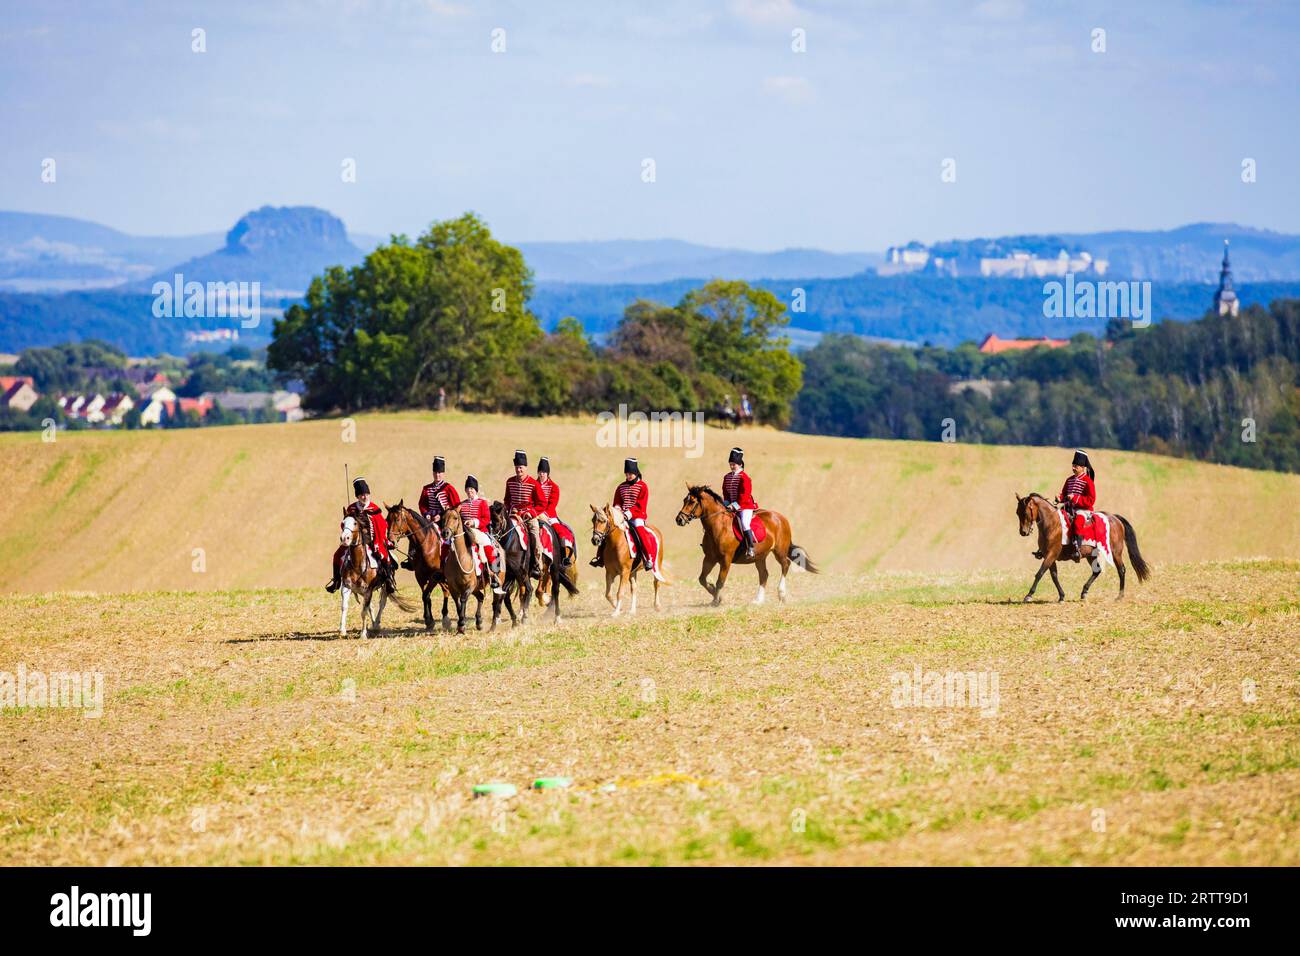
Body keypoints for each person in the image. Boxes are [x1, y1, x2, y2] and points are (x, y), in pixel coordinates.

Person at [326, 477, 395, 592]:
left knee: (384, 555)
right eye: (362, 495)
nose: (365, 497)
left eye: (367, 494)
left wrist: (378, 538)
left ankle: (388, 580)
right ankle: (337, 581)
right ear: (357, 496)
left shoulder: (374, 509)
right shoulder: (351, 508)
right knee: (337, 555)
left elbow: (382, 525)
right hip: (353, 541)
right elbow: (344, 524)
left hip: (372, 541)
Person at [593, 457, 653, 572]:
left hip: (637, 516)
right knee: (607, 531)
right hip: (621, 516)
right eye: (626, 474)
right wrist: (618, 511)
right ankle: (600, 558)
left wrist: (628, 514)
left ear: (636, 472)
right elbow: (617, 502)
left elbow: (640, 505)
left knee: (640, 531)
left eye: (630, 474)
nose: (628, 476)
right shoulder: (621, 487)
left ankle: (648, 558)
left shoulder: (642, 486)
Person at [1043, 449, 1097, 561]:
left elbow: (1091, 500)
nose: (1073, 468)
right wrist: (1059, 498)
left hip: (1083, 510)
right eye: (1073, 465)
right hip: (1068, 509)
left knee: (1077, 522)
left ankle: (1077, 548)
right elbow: (1064, 494)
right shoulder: (1069, 480)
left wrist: (1075, 498)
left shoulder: (1088, 481)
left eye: (1076, 466)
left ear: (1083, 467)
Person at [458, 476, 507, 595]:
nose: (469, 491)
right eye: (468, 489)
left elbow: (486, 519)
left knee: (488, 546)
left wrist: (474, 522)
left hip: (479, 531)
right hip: (464, 532)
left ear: (476, 490)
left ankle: (494, 575)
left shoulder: (482, 503)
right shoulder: (462, 504)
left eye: (472, 489)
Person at [502, 449, 547, 578]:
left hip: (528, 516)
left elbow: (542, 503)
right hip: (513, 515)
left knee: (535, 537)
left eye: (521, 467)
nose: (519, 470)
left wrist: (531, 513)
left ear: (526, 468)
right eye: (517, 467)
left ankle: (537, 565)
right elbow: (507, 500)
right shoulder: (510, 481)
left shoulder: (534, 483)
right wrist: (510, 509)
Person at [409, 455, 460, 569]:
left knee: (449, 539)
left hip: (444, 521)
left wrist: (442, 516)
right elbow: (422, 504)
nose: (438, 475)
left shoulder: (448, 488)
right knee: (416, 533)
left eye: (440, 473)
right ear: (433, 473)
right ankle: (412, 559)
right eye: (436, 473)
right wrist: (426, 514)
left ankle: (450, 561)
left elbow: (456, 506)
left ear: (443, 474)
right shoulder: (426, 488)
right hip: (429, 520)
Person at [535, 456, 574, 568]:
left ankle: (564, 557)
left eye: (544, 472)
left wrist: (544, 515)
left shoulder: (554, 487)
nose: (542, 474)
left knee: (560, 532)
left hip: (549, 516)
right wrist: (536, 513)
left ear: (548, 473)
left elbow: (552, 505)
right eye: (540, 472)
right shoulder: (533, 484)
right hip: (535, 514)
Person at [722, 446, 758, 557]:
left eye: (734, 464)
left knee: (745, 523)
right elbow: (725, 492)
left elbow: (745, 496)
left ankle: (750, 548)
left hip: (745, 506)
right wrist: (726, 503)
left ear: (740, 464)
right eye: (730, 464)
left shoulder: (744, 478)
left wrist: (734, 506)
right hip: (731, 505)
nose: (732, 466)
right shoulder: (727, 477)